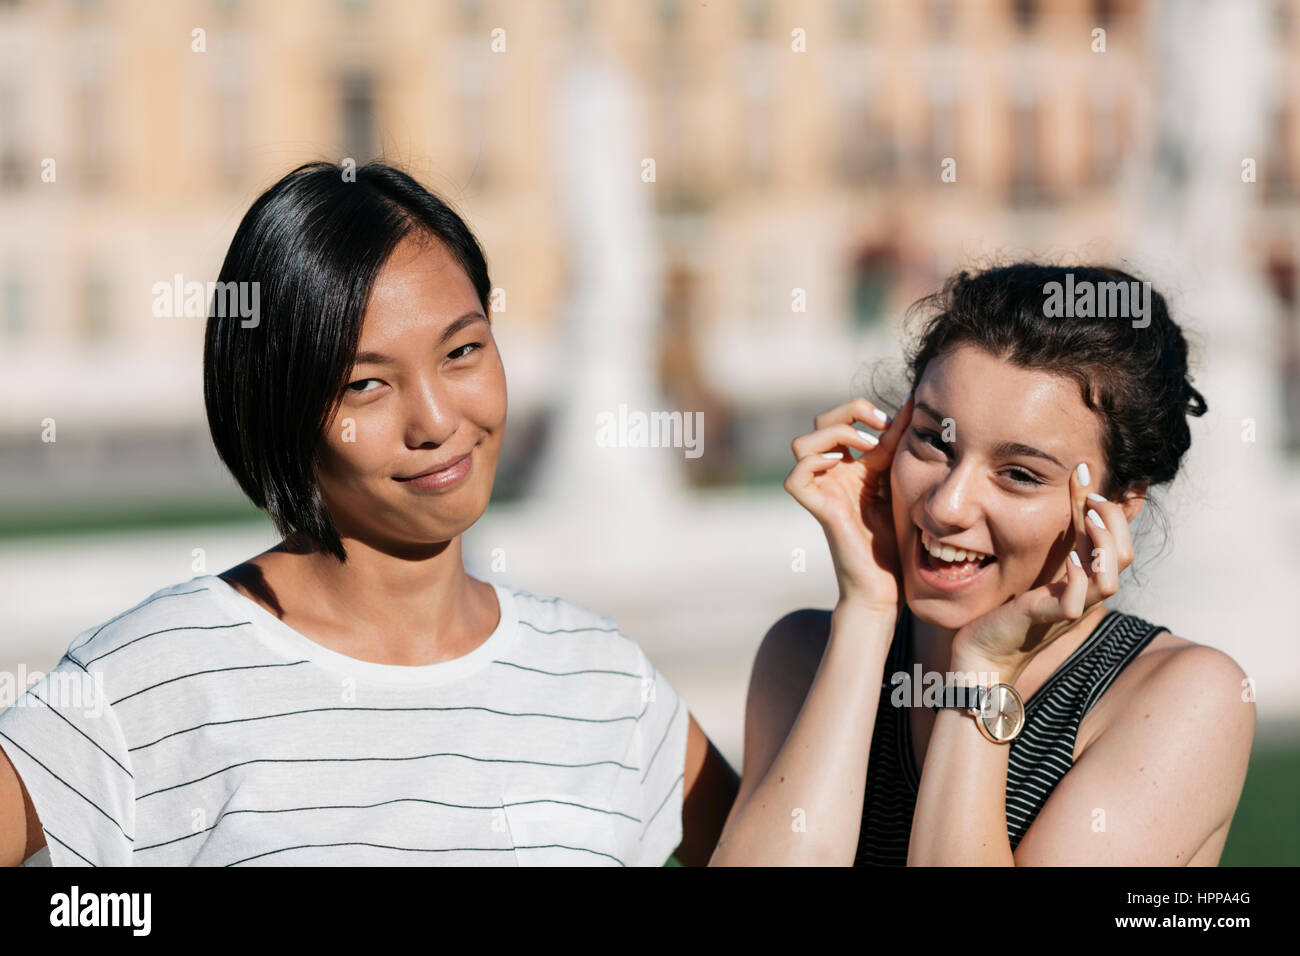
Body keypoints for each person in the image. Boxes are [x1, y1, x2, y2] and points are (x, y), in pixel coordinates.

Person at [0, 160, 737, 867]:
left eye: (463, 351)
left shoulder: (599, 676)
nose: (437, 420)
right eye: (365, 385)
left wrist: (857, 616)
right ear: (278, 406)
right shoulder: (162, 673)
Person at [710, 263, 1255, 866]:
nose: (946, 506)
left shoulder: (1184, 698)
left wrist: (982, 674)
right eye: (933, 441)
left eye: (1019, 474)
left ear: (1117, 507)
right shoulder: (806, 654)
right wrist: (866, 613)